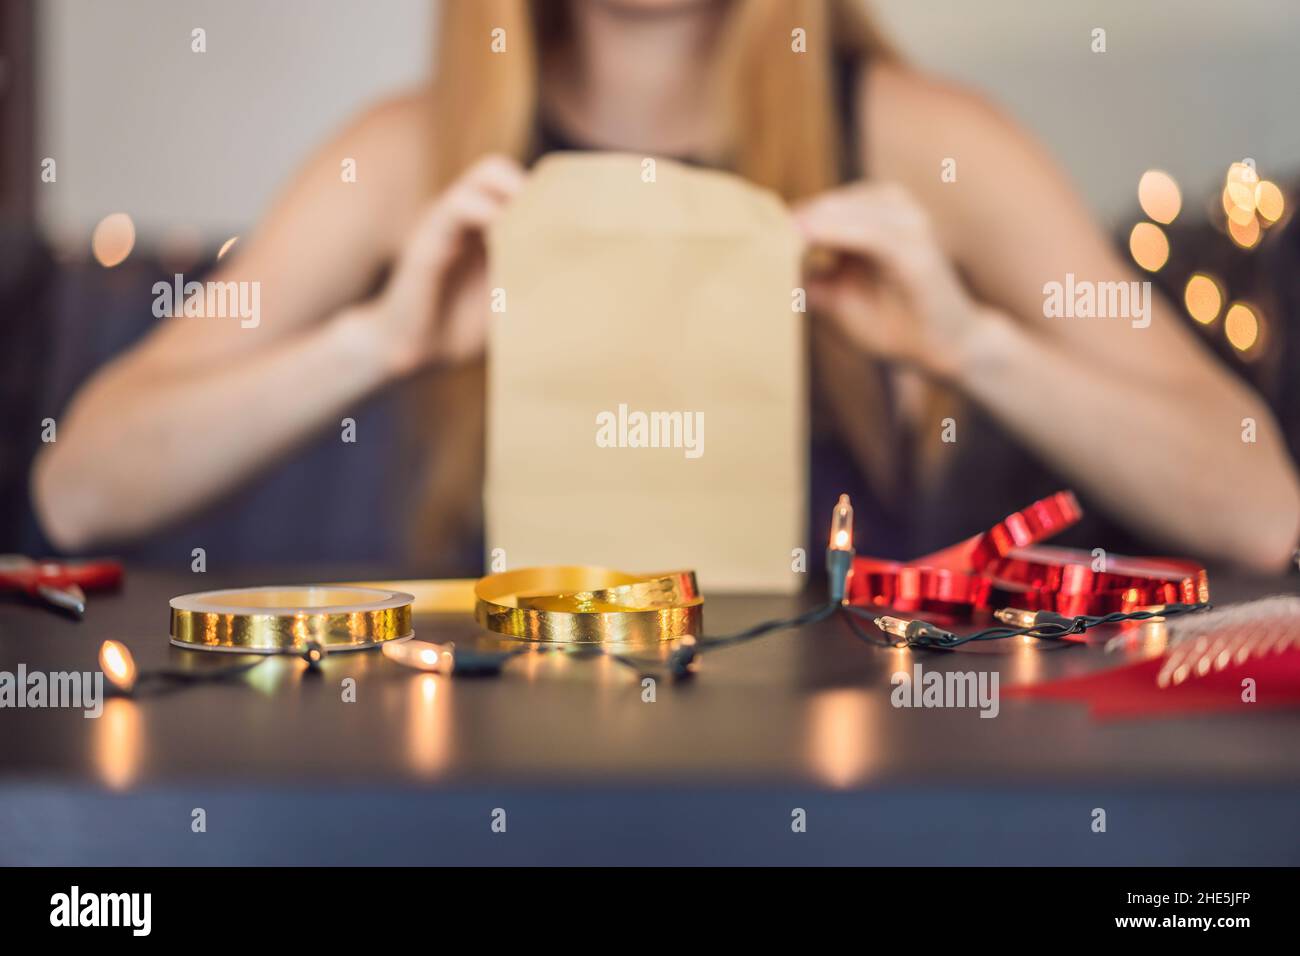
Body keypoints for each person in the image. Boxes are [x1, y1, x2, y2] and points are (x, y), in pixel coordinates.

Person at [31, 0, 1300, 572]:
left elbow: (1259, 508)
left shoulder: (918, 138)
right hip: (525, 790)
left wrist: (977, 348)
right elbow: (80, 486)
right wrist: (372, 339)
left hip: (845, 797)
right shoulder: (406, 156)